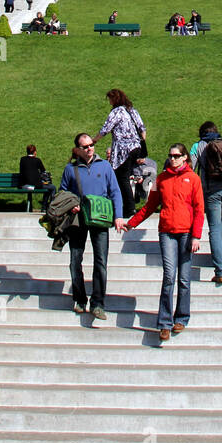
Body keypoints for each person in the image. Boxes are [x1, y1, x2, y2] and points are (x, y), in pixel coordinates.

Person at [120, 142, 204, 342]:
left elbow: (199, 209)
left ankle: (181, 318)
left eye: (176, 155)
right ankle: (164, 322)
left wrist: (196, 236)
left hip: (186, 232)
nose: (172, 159)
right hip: (167, 232)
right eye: (171, 155)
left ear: (185, 157)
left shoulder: (193, 179)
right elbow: (149, 206)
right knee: (169, 276)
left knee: (184, 279)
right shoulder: (161, 179)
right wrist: (131, 223)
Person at [58, 134, 122, 319]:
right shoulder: (71, 169)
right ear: (78, 149)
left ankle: (98, 303)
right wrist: (72, 205)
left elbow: (115, 191)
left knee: (100, 261)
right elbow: (63, 193)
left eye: (91, 145)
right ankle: (79, 298)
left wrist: (118, 216)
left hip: (100, 218)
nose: (89, 148)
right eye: (85, 146)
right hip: (78, 219)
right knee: (75, 261)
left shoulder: (105, 166)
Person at [192, 121, 222, 285]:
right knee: (220, 222)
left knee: (214, 227)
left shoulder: (198, 146)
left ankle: (220, 270)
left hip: (212, 190)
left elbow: (191, 168)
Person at [91, 89, 146, 219]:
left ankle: (128, 207)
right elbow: (142, 128)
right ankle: (128, 205)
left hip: (123, 149)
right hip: (136, 147)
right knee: (125, 176)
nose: (109, 102)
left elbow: (106, 128)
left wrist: (94, 140)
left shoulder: (117, 112)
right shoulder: (132, 110)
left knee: (121, 178)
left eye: (110, 99)